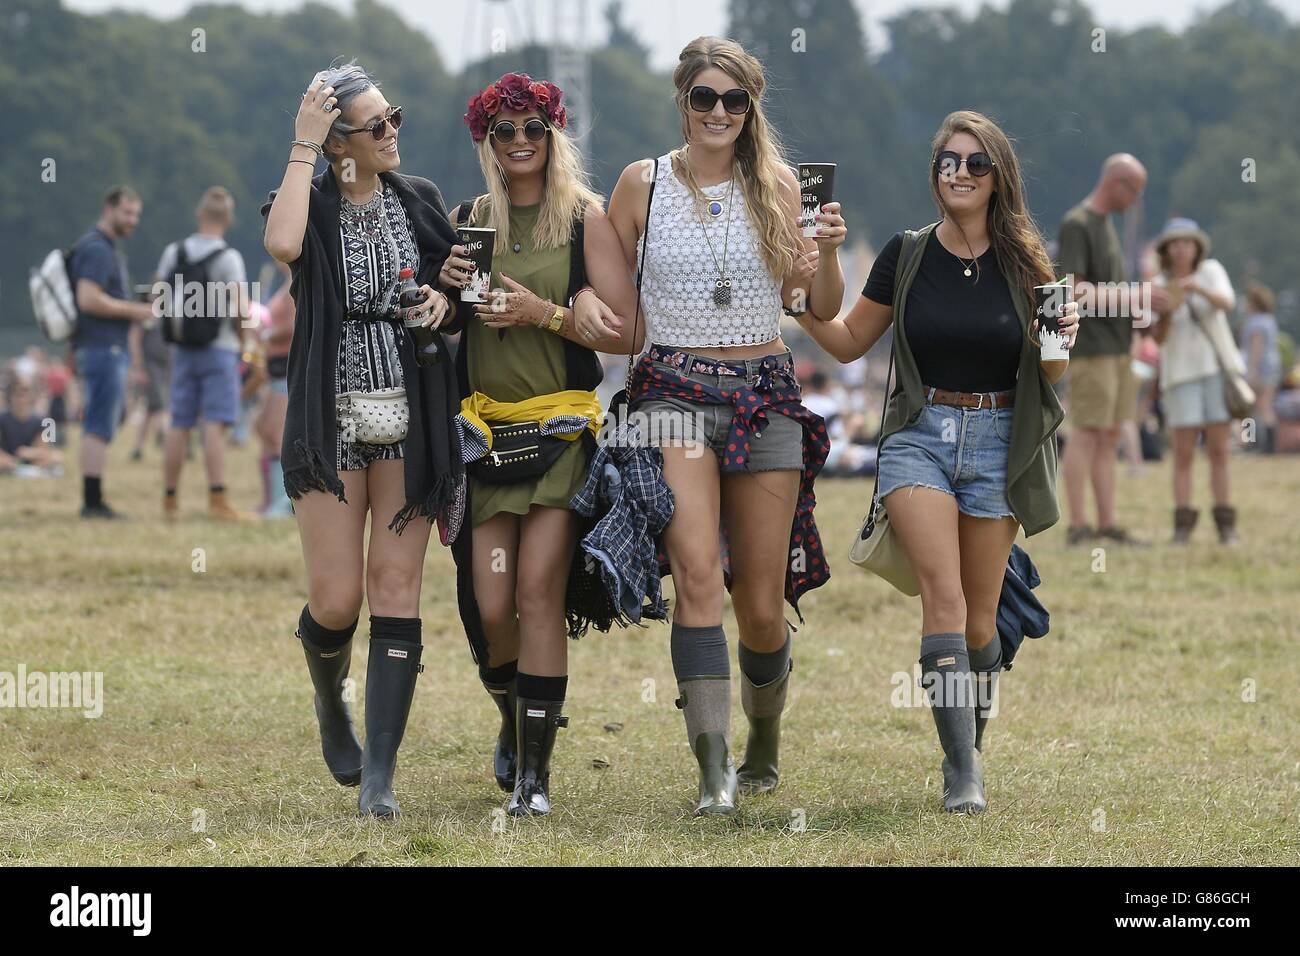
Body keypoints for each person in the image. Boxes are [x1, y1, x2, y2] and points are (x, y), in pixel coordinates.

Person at [796, 111, 1079, 813]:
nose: (958, 172)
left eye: (974, 163)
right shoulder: (907, 252)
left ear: (996, 179)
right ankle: (962, 774)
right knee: (943, 598)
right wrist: (802, 300)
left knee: (980, 624)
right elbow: (846, 342)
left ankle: (970, 744)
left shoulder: (1030, 265)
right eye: (947, 161)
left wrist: (1062, 337)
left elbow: (1052, 378)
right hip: (918, 437)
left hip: (999, 441)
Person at [606, 36, 845, 815]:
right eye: (704, 97)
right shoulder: (640, 185)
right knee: (699, 578)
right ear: (683, 100)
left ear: (751, 107)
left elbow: (817, 307)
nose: (718, 112)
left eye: (733, 100)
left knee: (763, 602)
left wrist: (827, 255)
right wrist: (563, 307)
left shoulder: (778, 186)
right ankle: (712, 772)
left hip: (766, 389)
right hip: (673, 389)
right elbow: (615, 308)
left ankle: (762, 745)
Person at [262, 60, 464, 819]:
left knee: (394, 590)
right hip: (330, 415)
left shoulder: (419, 200)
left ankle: (380, 775)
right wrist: (304, 145)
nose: (393, 133)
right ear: (340, 139)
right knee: (339, 598)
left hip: (409, 414)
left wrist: (443, 304)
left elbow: (458, 289)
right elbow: (282, 246)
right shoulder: (309, 205)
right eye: (378, 125)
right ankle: (329, 702)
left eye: (396, 117)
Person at [442, 71, 640, 816]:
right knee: (492, 606)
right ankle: (512, 716)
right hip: (488, 437)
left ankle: (535, 782)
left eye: (533, 128)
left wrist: (545, 312)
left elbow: (631, 329)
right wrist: (445, 292)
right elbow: (448, 323)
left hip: (559, 433)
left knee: (536, 595)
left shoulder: (586, 219)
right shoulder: (469, 220)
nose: (520, 141)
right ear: (487, 142)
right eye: (505, 131)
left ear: (554, 134)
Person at [1057, 153, 1147, 545]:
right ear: (1117, 184)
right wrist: (1135, 297)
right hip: (1090, 348)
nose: (1136, 201)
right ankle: (1078, 525)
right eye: (1135, 191)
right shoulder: (1078, 224)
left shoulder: (1107, 224)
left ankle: (1107, 523)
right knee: (1087, 434)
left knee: (1108, 435)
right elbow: (1072, 290)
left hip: (1115, 346)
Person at [156, 186, 258, 521]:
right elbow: (241, 309)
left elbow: (159, 293)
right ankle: (217, 499)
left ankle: (170, 500)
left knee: (179, 422)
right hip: (219, 349)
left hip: (183, 348)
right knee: (214, 424)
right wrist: (246, 344)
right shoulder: (228, 258)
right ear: (227, 220)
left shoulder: (175, 251)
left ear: (200, 214)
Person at [1149, 219, 1242, 544]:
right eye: (1174, 243)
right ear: (1166, 250)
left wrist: (1196, 288)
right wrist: (1167, 311)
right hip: (1180, 376)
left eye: (1186, 242)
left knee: (1219, 451)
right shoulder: (1159, 283)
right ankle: (1182, 524)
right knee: (1184, 453)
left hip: (1214, 369)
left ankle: (1225, 522)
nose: (1180, 249)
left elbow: (1227, 303)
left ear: (1196, 246)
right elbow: (1157, 339)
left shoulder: (1211, 271)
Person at [67, 185, 157, 518]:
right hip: (103, 347)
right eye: (127, 212)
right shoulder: (98, 250)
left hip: (99, 346)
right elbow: (88, 299)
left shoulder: (98, 246)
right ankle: (92, 502)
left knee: (102, 420)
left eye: (136, 214)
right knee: (98, 423)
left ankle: (93, 498)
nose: (133, 220)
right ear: (109, 209)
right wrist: (135, 311)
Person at [255, 260, 296, 516]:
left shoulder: (294, 284)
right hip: (275, 368)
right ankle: (270, 498)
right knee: (263, 428)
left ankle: (284, 502)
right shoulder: (284, 284)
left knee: (275, 432)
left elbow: (292, 326)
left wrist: (265, 335)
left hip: (288, 366)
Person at [1240, 283, 1282, 455]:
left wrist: (1252, 371)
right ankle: (1270, 445)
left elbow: (1256, 347)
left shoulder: (1255, 323)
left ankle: (1249, 443)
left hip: (1259, 368)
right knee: (1266, 407)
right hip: (1272, 367)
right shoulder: (1269, 320)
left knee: (1249, 408)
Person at [128, 311, 171, 460]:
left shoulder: (172, 311)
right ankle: (170, 448)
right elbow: (134, 339)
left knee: (151, 408)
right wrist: (139, 367)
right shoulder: (146, 313)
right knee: (161, 407)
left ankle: (137, 448)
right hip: (150, 366)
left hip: (168, 366)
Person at [0, 376, 64, 475]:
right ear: (11, 396)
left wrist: (30, 452)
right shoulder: (3, 418)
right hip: (7, 459)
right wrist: (8, 459)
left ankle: (26, 470)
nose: (21, 399)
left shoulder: (39, 420)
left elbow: (44, 449)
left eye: (24, 394)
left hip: (30, 460)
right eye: (17, 394)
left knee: (57, 457)